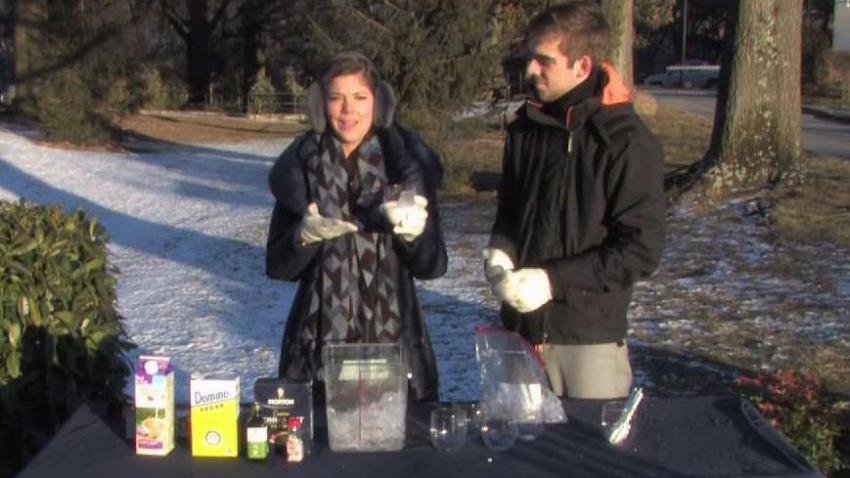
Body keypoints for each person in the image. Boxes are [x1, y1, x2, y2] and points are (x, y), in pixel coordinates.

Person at [484, 2, 665, 399]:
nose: (531, 70)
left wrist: (553, 281)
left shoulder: (624, 141)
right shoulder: (526, 129)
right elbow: (511, 210)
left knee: (584, 455)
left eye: (544, 61)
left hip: (587, 343)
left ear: (582, 66)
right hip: (518, 333)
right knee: (515, 455)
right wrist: (501, 250)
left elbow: (641, 249)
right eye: (530, 57)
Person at [266, 52, 447, 402]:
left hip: (395, 344)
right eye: (336, 98)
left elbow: (434, 265)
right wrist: (303, 237)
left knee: (395, 447)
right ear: (321, 104)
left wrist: (413, 236)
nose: (348, 110)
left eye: (360, 97)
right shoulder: (300, 170)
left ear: (378, 103)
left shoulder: (406, 168)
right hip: (315, 350)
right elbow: (277, 266)